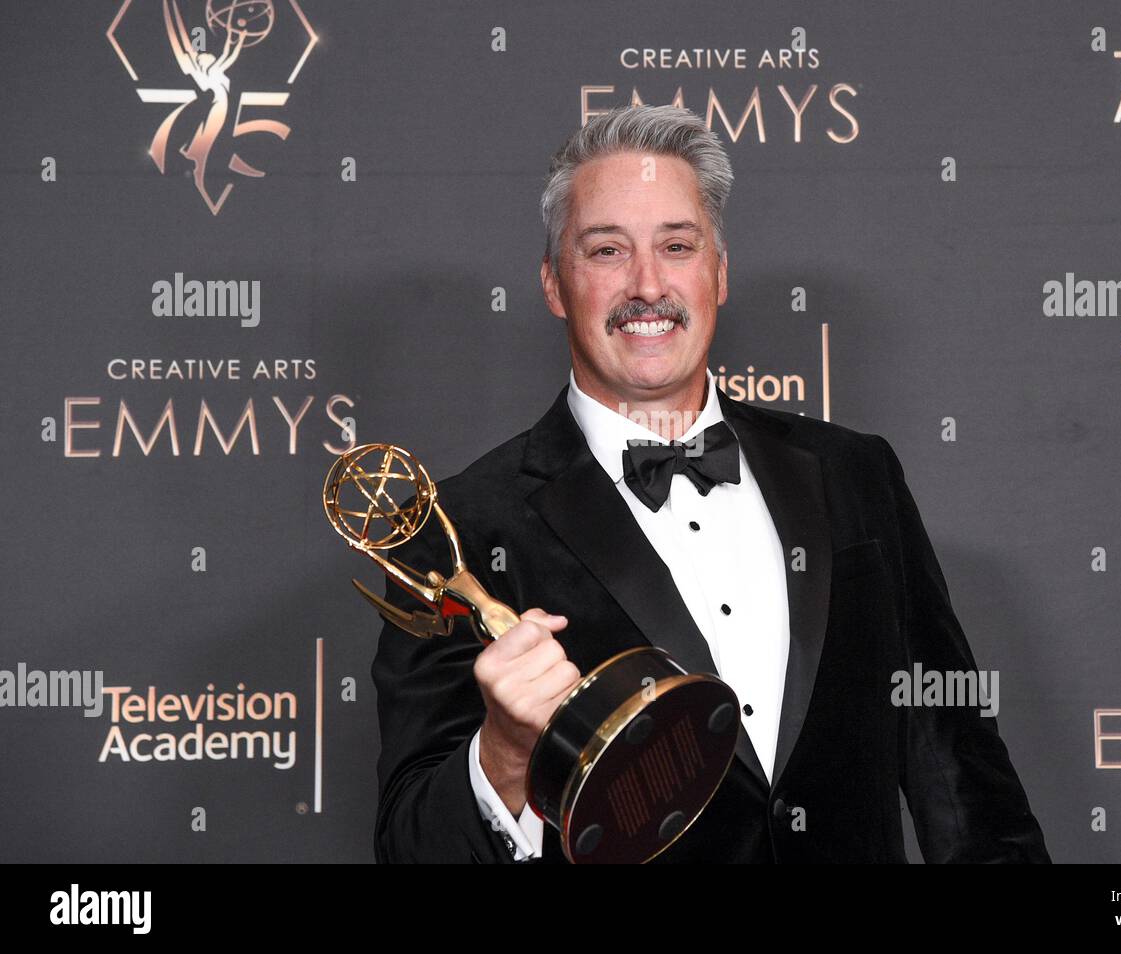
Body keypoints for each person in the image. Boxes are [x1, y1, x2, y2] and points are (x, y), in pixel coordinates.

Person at [371, 104, 1051, 863]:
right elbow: (411, 847)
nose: (648, 285)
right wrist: (501, 755)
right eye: (606, 250)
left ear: (719, 273)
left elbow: (956, 771)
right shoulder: (453, 529)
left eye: (677, 245)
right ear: (554, 284)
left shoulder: (856, 475)